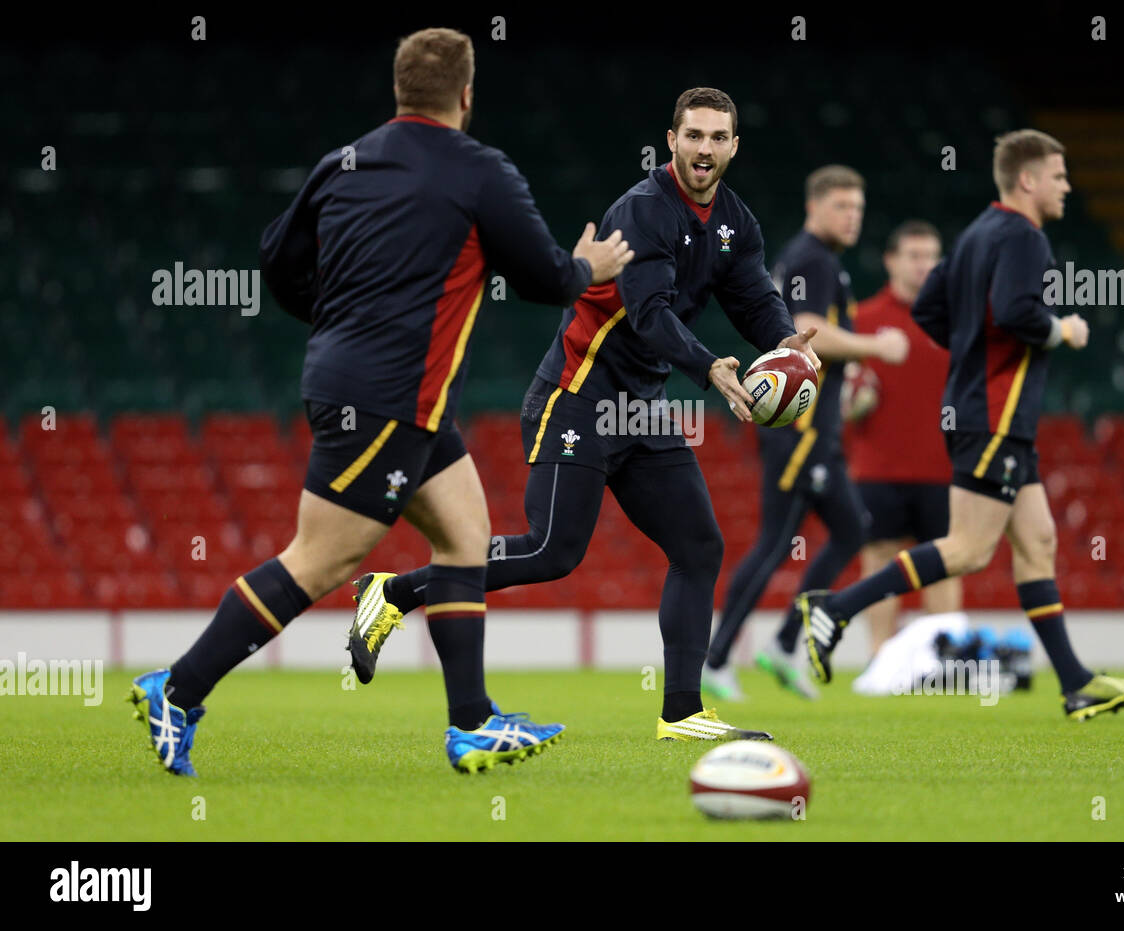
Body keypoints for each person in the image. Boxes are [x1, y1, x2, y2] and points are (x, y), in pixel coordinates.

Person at [128, 26, 633, 775]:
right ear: (467, 94)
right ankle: (179, 685)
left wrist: (339, 322)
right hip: (387, 397)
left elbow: (278, 258)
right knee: (322, 559)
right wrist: (589, 263)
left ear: (399, 91)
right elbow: (546, 279)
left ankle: (473, 723)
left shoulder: (344, 162)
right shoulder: (480, 170)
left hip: (384, 393)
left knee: (465, 535)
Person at [351, 87, 821, 741]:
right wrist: (710, 366)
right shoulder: (643, 211)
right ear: (672, 140)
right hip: (577, 395)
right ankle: (395, 592)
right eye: (694, 136)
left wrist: (784, 340)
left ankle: (682, 711)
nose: (705, 149)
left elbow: (751, 296)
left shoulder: (735, 221)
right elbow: (650, 313)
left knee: (698, 544)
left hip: (642, 407)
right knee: (552, 550)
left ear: (733, 146)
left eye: (718, 137)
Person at [797, 129, 1124, 721]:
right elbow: (1017, 313)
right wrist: (1061, 329)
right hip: (994, 416)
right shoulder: (1025, 238)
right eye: (1059, 176)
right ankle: (834, 608)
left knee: (1037, 543)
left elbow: (932, 310)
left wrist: (967, 355)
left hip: (988, 412)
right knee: (966, 550)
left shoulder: (974, 235)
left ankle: (1075, 684)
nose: (1067, 187)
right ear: (1027, 179)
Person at [700, 166, 908, 702]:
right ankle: (717, 659)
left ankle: (786, 642)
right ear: (814, 207)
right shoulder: (812, 258)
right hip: (802, 430)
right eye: (841, 206)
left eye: (858, 208)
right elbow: (808, 325)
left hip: (822, 431)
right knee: (775, 539)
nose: (852, 217)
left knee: (852, 529)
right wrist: (875, 348)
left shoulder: (824, 262)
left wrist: (852, 376)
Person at [843, 220, 964, 691]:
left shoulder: (957, 319)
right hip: (877, 468)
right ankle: (880, 660)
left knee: (947, 562)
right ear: (891, 260)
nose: (924, 265)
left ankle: (949, 663)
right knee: (879, 563)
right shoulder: (862, 319)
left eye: (932, 256)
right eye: (914, 255)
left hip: (943, 467)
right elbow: (834, 395)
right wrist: (850, 401)